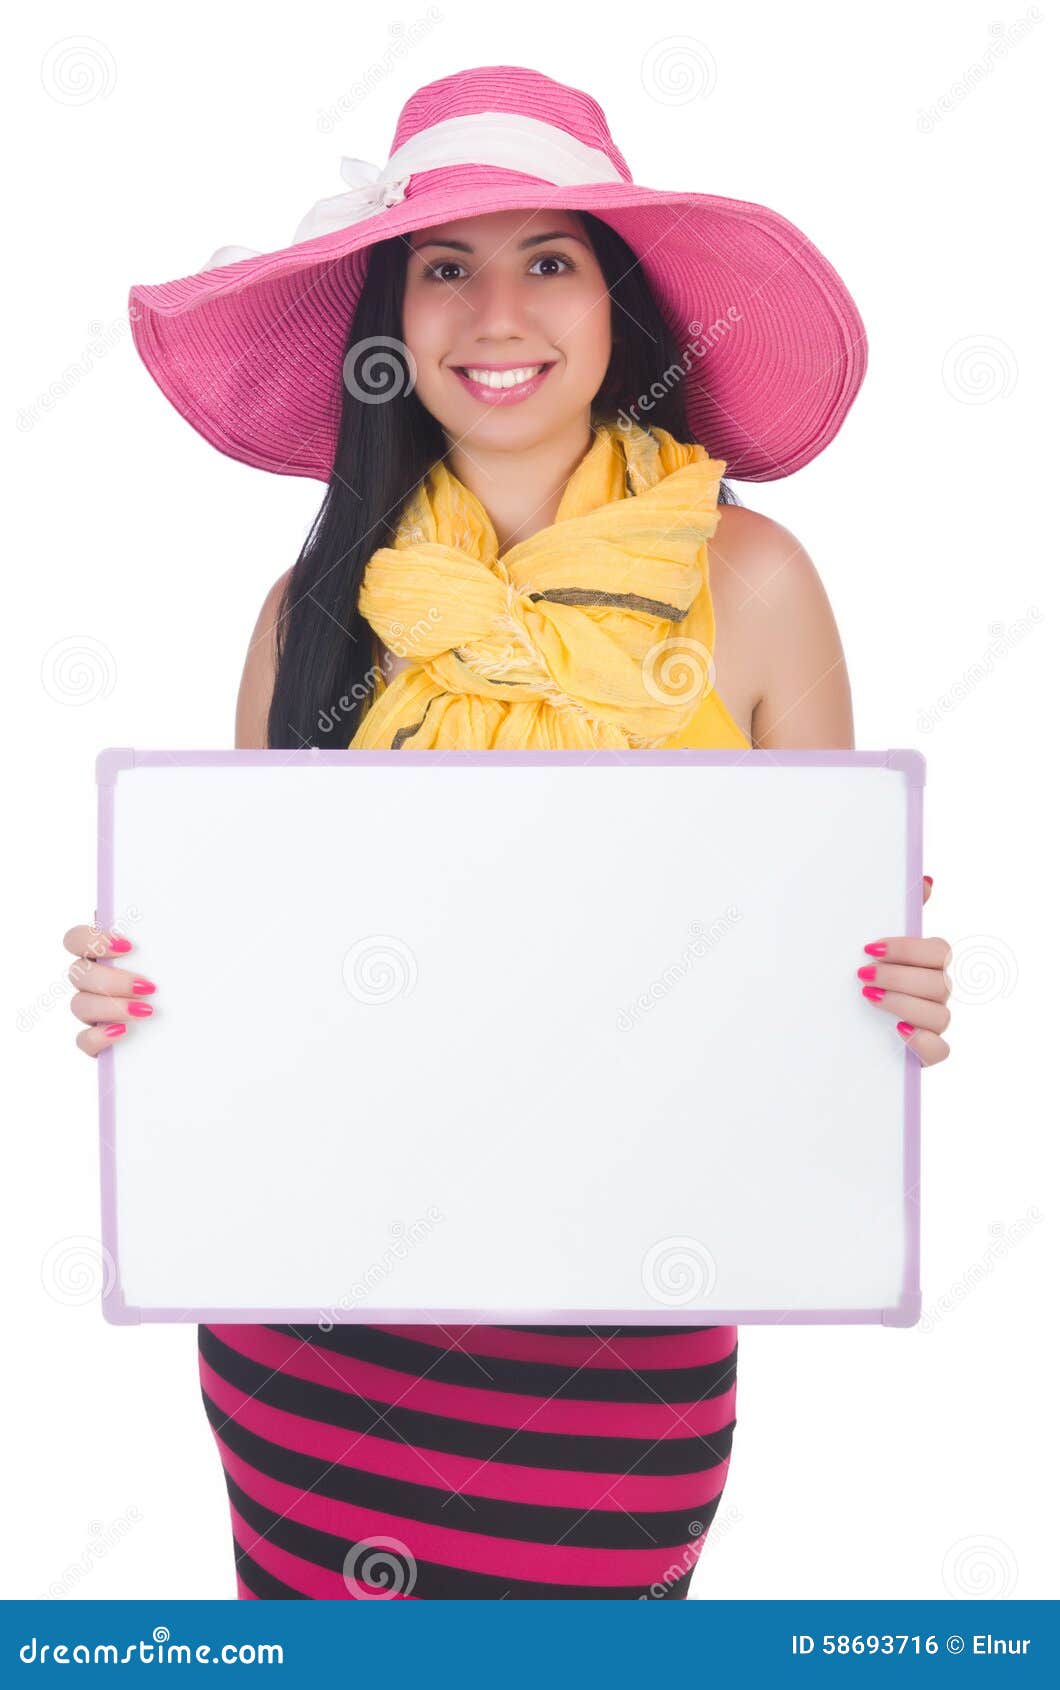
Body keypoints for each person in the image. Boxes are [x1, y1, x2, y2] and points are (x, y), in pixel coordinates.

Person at [61, 66, 953, 1599]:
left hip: (620, 1356)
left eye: (550, 261)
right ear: (390, 328)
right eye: (445, 268)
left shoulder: (755, 583)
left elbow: (829, 968)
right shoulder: (315, 607)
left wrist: (897, 1003)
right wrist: (148, 993)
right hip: (309, 1350)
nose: (497, 316)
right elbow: (261, 971)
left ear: (619, 308)